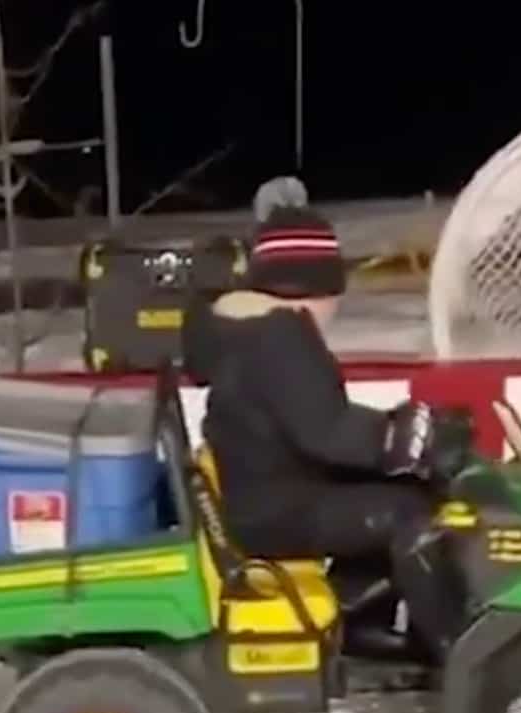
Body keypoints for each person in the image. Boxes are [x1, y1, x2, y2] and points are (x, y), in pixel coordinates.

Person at [182, 177, 471, 660]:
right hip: (273, 508)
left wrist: (401, 433)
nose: (336, 307)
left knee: (396, 494)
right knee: (411, 515)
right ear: (310, 286)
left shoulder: (244, 329)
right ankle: (456, 650)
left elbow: (315, 420)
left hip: (264, 487)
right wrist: (414, 440)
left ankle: (358, 622)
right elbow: (328, 433)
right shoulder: (280, 338)